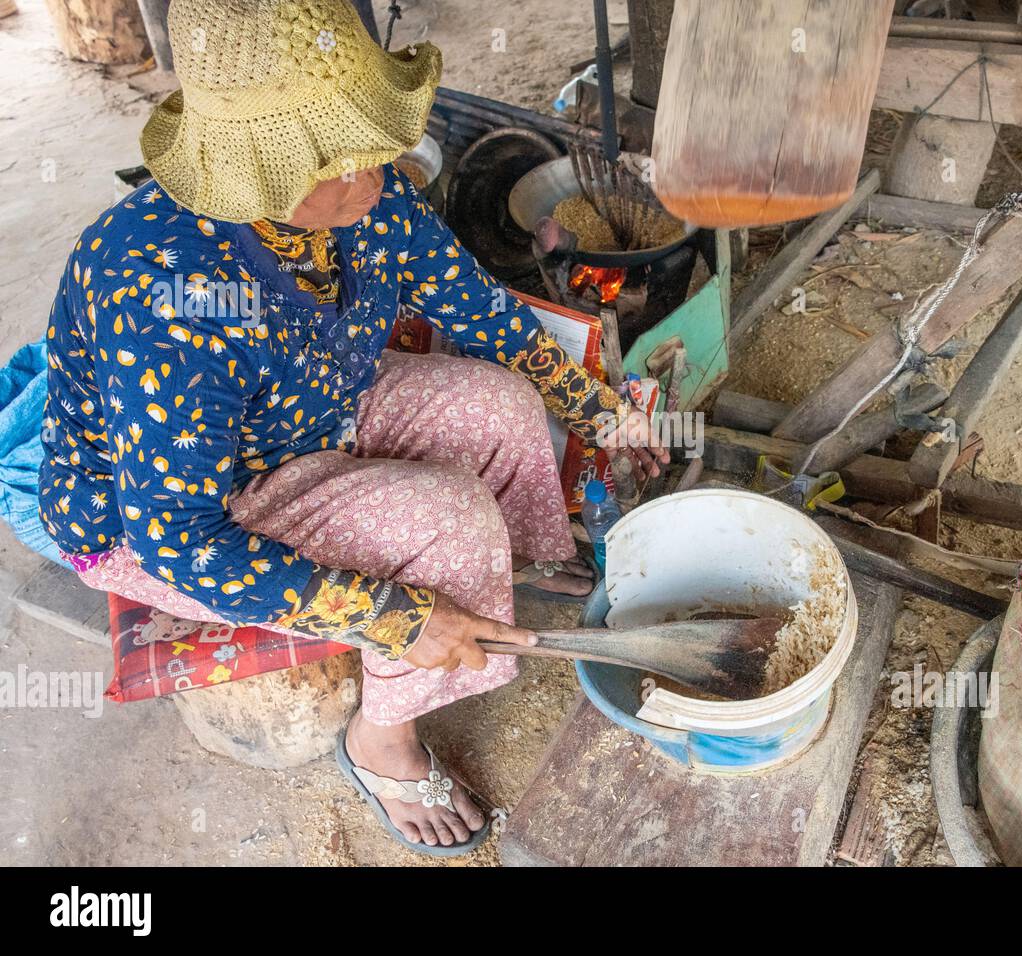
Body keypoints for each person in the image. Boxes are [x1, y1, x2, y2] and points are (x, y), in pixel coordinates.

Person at [38, 0, 667, 856]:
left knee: (503, 407)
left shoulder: (371, 199)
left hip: (309, 407)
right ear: (264, 178)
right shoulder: (168, 295)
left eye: (376, 147)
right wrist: (398, 616)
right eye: (349, 161)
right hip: (183, 512)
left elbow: (476, 308)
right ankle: (383, 741)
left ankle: (499, 580)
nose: (382, 172)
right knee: (449, 518)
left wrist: (597, 409)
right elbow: (176, 537)